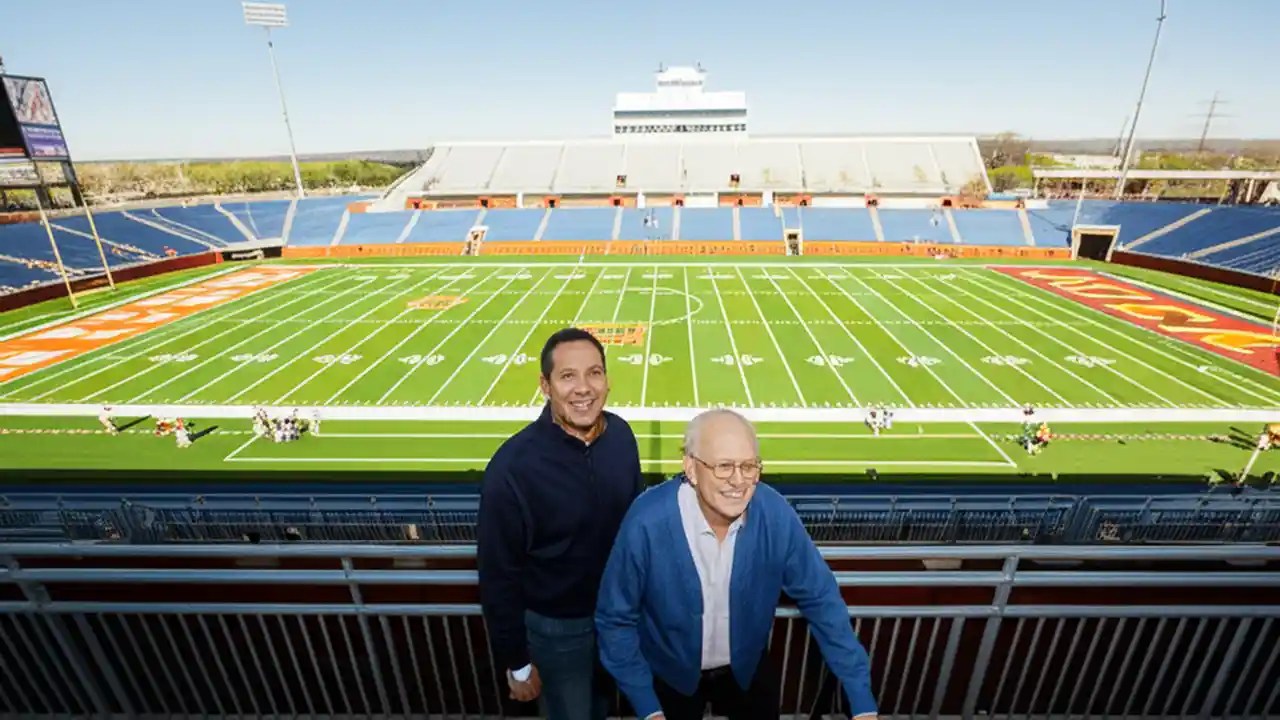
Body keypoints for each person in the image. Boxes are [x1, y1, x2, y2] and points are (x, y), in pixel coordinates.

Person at [596, 409, 878, 720]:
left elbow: (821, 598)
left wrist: (862, 701)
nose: (739, 480)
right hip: (668, 678)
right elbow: (614, 619)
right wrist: (648, 708)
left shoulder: (774, 513)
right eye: (723, 466)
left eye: (748, 466)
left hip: (747, 669)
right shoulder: (646, 521)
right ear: (690, 467)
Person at [479, 327, 645, 720]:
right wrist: (516, 662)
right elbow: (497, 575)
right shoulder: (512, 468)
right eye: (568, 376)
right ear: (545, 385)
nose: (584, 388)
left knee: (605, 709)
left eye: (594, 373)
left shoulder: (622, 436)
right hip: (558, 631)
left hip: (617, 618)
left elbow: (634, 526)